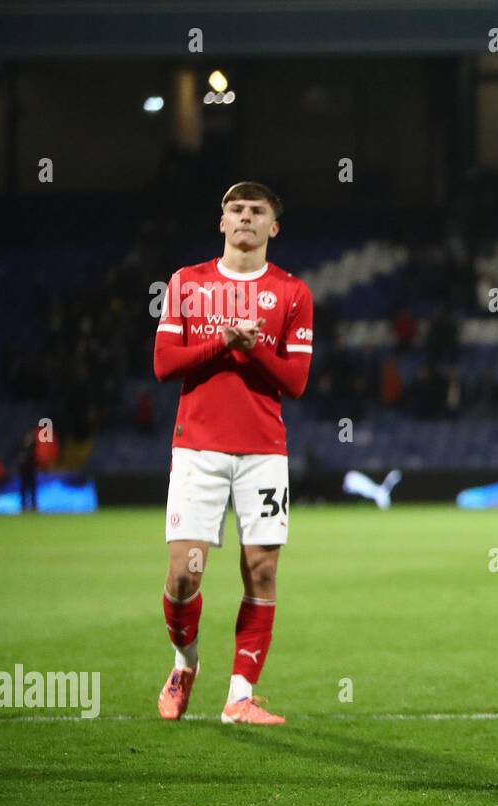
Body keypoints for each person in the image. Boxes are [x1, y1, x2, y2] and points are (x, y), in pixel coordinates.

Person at [152, 181, 314, 724]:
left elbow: (295, 382)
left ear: (274, 226)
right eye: (235, 210)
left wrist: (254, 348)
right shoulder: (186, 283)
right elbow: (164, 364)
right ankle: (185, 663)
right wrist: (224, 341)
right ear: (221, 222)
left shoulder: (293, 293)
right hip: (197, 447)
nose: (245, 218)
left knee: (262, 571)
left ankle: (240, 696)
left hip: (264, 453)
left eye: (257, 211)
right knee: (184, 575)